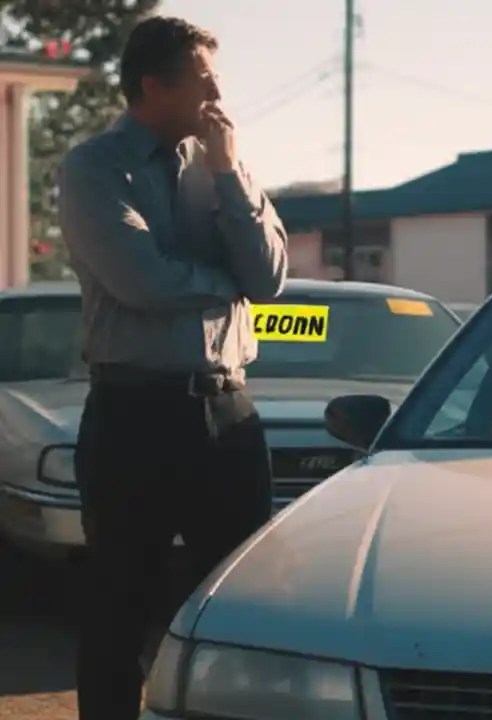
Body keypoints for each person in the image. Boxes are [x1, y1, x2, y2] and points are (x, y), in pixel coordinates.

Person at [56, 15, 288, 720]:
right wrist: (225, 281)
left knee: (244, 603)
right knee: (119, 611)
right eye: (204, 78)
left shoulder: (223, 162)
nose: (219, 94)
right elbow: (142, 282)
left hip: (228, 412)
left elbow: (271, 276)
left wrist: (227, 176)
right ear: (153, 86)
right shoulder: (95, 169)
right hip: (135, 415)